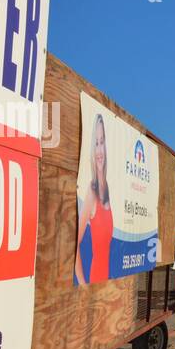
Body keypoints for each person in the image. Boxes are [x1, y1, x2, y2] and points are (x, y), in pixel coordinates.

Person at [74, 113, 113, 285]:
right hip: (95, 282)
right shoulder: (92, 191)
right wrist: (83, 284)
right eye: (96, 143)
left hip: (106, 282)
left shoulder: (107, 188)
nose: (99, 150)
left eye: (102, 142)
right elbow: (75, 242)